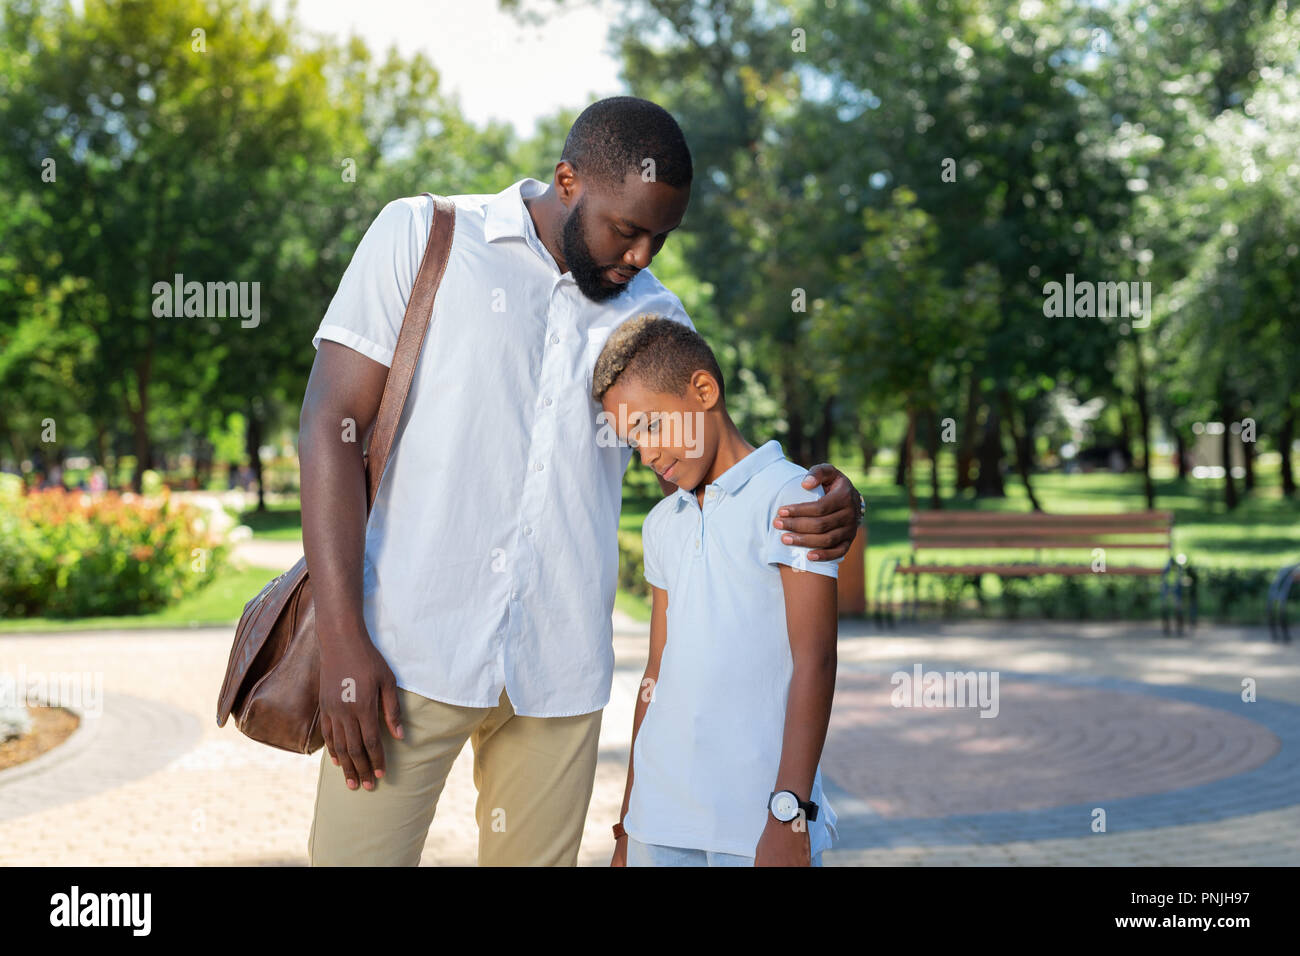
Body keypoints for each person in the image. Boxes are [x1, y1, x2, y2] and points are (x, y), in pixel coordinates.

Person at [300, 96, 865, 867]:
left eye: (660, 238)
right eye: (626, 230)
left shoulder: (655, 313)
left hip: (558, 673)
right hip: (402, 654)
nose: (641, 256)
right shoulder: (423, 234)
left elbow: (707, 462)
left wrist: (831, 494)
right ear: (567, 179)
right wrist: (341, 643)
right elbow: (329, 427)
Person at [594, 315, 840, 867]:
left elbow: (816, 661)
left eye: (652, 426)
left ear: (704, 390)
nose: (648, 455)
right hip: (658, 820)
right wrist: (628, 824)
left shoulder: (792, 498)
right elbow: (655, 673)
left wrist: (789, 812)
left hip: (753, 821)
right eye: (633, 441)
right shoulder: (662, 523)